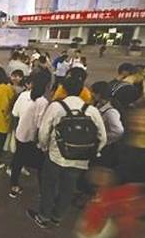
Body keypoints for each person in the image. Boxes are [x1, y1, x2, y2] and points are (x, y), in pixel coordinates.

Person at [27, 77, 107, 229]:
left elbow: (44, 131)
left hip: (56, 156)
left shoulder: (56, 107)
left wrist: (44, 147)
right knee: (68, 189)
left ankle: (43, 216)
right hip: (80, 160)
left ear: (63, 90)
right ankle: (57, 216)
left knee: (49, 187)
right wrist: (92, 152)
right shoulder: (91, 110)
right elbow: (102, 137)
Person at [8, 72, 50, 198]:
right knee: (41, 165)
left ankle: (13, 186)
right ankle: (43, 191)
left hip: (20, 135)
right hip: (33, 139)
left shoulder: (23, 95)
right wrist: (39, 141)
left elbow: (15, 114)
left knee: (18, 159)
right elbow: (39, 125)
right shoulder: (43, 102)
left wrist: (16, 130)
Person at [91, 81, 124, 168]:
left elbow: (118, 131)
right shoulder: (99, 105)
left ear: (99, 94)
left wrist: (103, 137)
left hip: (106, 150)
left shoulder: (111, 112)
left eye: (93, 92)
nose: (91, 94)